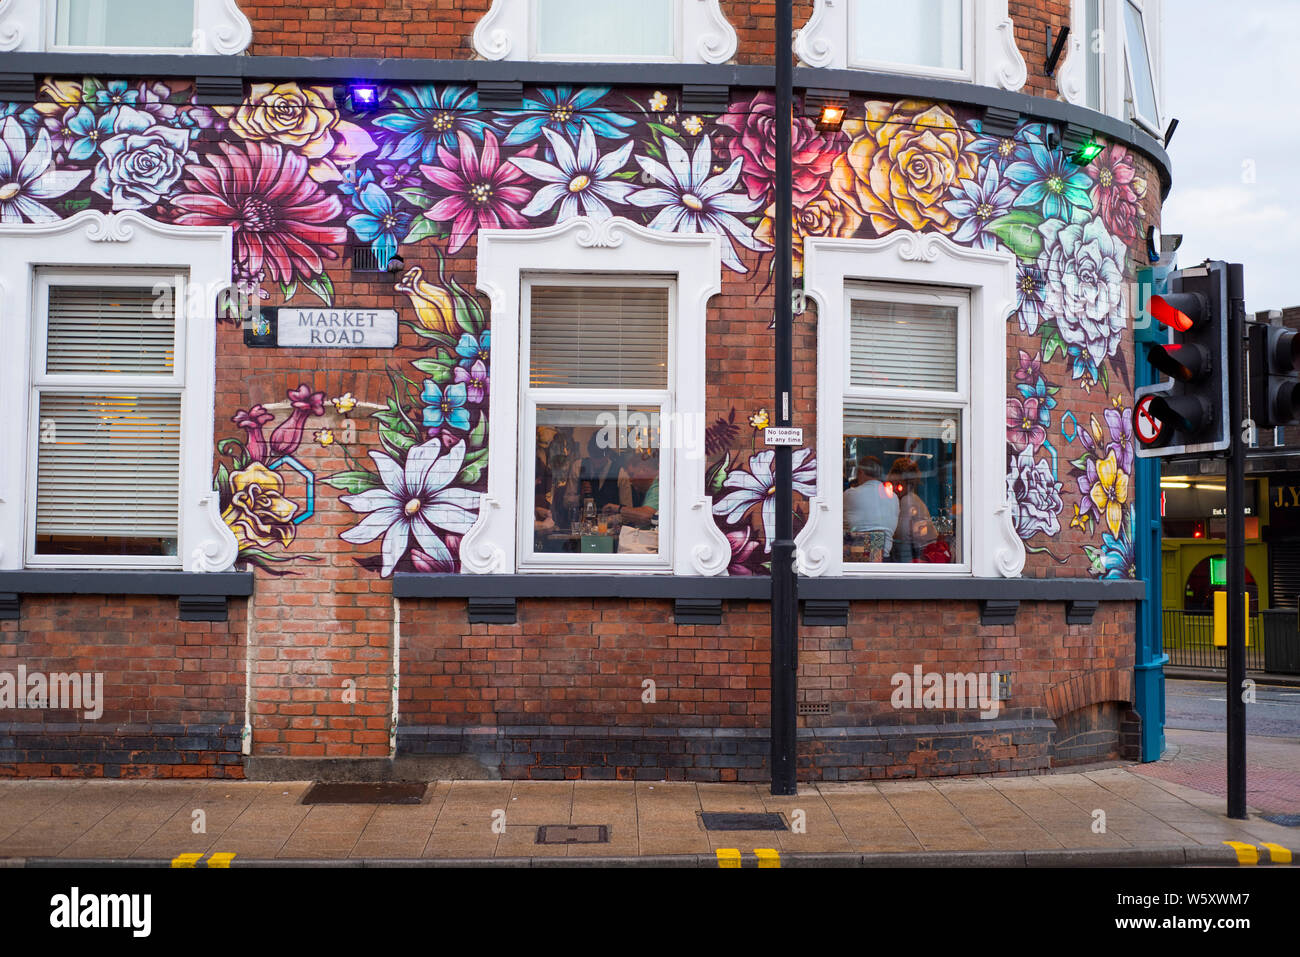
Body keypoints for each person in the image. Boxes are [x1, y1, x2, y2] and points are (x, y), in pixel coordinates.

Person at [843, 454, 898, 562]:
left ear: (860, 472)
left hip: (858, 559)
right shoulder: (893, 496)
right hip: (885, 560)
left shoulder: (851, 494)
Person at [888, 457, 936, 563]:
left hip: (917, 557)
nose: (895, 488)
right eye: (892, 484)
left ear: (909, 485)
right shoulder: (910, 499)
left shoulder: (907, 500)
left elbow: (902, 535)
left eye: (899, 484)